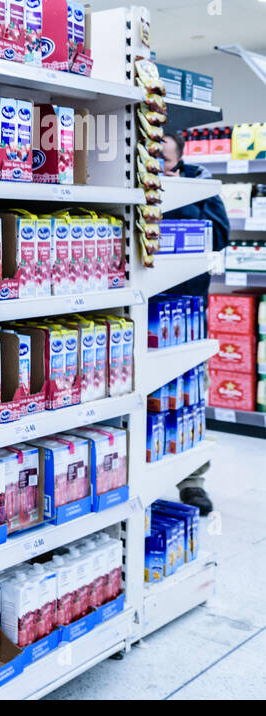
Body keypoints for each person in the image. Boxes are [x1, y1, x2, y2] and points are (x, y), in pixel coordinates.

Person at [160, 132, 230, 515]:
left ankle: (193, 482)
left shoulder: (201, 186)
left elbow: (219, 238)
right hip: (145, 309)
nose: (159, 168)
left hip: (187, 313)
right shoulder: (136, 182)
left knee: (189, 396)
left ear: (181, 161)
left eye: (166, 161)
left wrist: (177, 198)